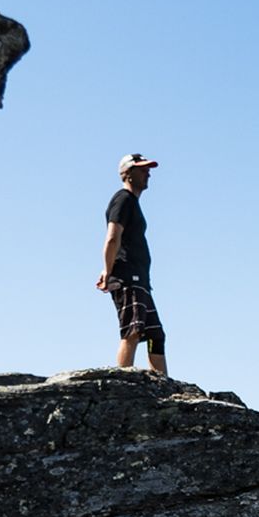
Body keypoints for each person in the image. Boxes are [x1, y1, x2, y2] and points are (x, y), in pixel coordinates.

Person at [99, 153, 167, 374]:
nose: (148, 174)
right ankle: (122, 382)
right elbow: (112, 237)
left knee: (155, 335)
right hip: (129, 277)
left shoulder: (132, 203)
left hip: (140, 279)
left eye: (148, 170)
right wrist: (108, 271)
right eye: (142, 169)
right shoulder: (123, 199)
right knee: (133, 329)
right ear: (128, 173)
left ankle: (163, 385)